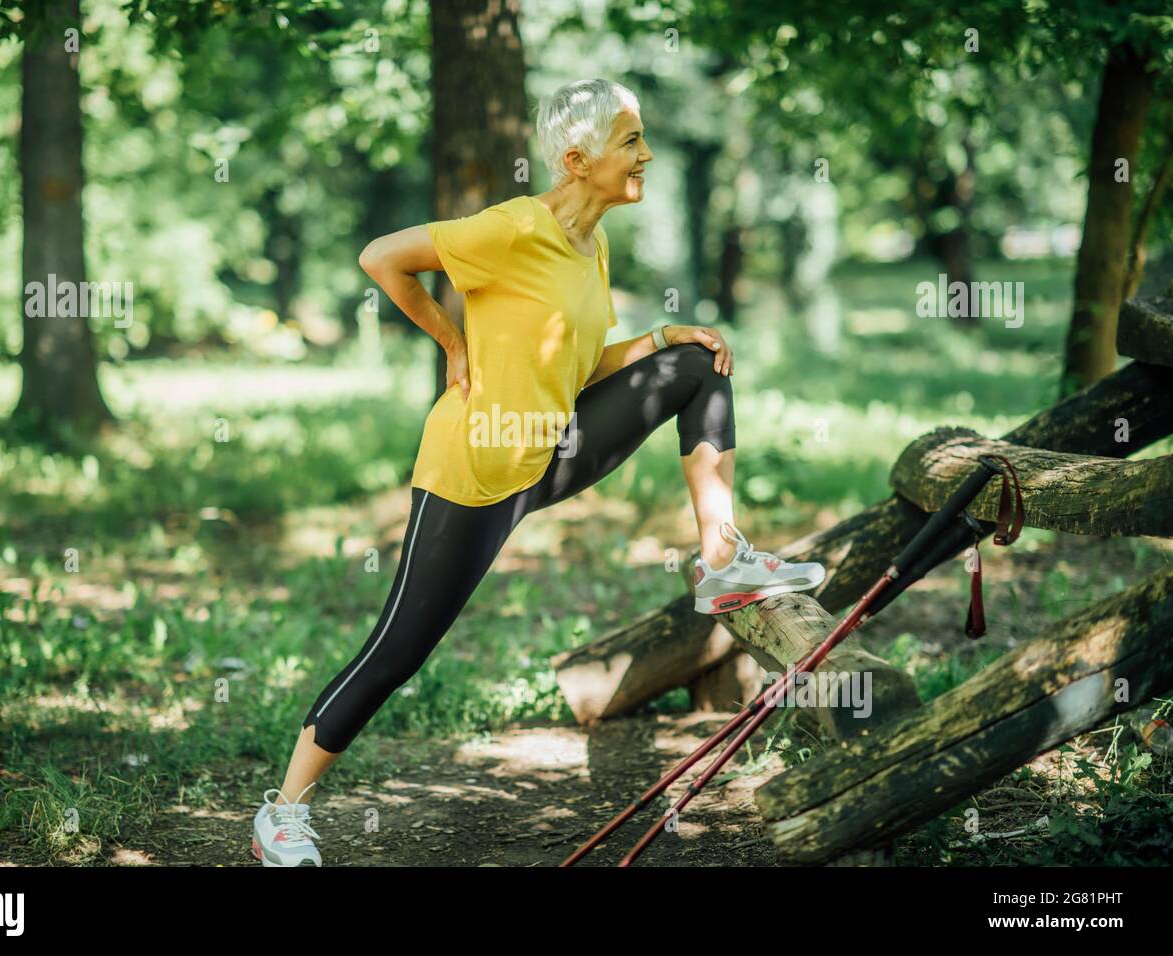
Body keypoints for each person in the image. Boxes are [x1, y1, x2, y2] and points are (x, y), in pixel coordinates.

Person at [251, 78, 825, 867]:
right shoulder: (514, 228)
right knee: (399, 650)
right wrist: (453, 343)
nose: (646, 154)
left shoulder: (593, 248)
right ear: (576, 157)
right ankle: (283, 814)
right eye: (631, 141)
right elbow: (382, 259)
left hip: (550, 449)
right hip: (477, 467)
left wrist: (661, 340)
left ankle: (723, 557)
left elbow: (582, 369)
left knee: (698, 364)